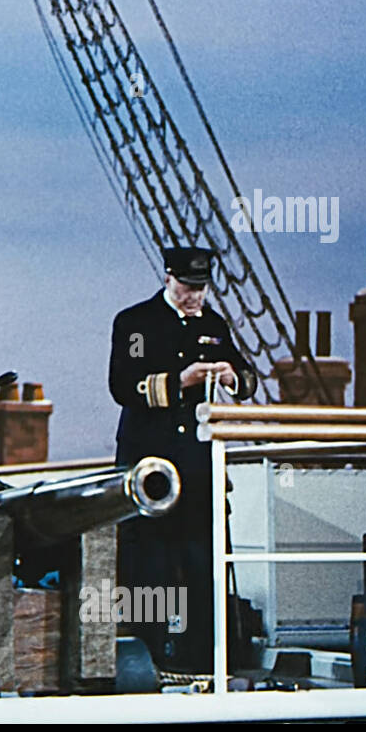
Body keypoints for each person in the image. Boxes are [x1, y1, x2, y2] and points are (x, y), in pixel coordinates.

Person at [108, 246, 257, 673]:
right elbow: (123, 385)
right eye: (188, 288)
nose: (195, 297)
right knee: (148, 567)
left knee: (202, 562)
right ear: (170, 278)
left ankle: (206, 660)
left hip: (196, 466)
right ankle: (146, 659)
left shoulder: (213, 325)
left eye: (201, 288)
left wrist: (231, 377)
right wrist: (180, 381)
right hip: (150, 464)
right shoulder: (136, 323)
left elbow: (247, 377)